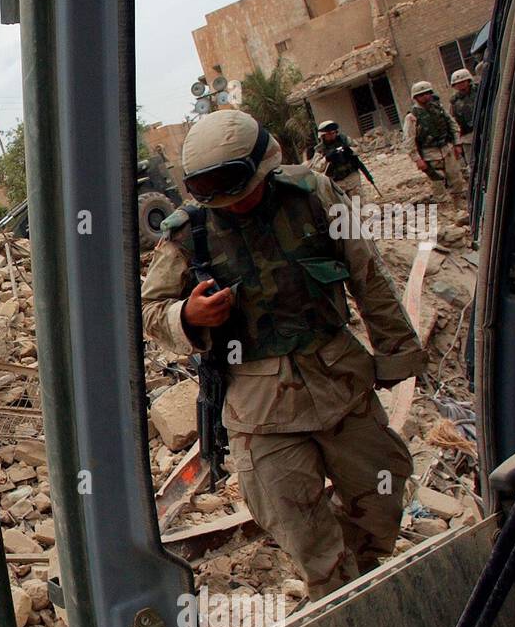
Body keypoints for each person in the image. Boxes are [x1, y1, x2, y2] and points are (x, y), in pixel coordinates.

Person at [142, 110, 424, 599]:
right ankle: (338, 603)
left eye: (239, 190)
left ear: (265, 166)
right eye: (215, 195)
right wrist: (187, 316)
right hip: (259, 410)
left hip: (339, 384)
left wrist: (396, 355)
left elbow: (368, 276)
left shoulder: (314, 195)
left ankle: (360, 579)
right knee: (300, 528)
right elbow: (149, 310)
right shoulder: (191, 232)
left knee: (381, 500)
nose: (231, 203)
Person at [402, 80, 468, 211]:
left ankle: (459, 206)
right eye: (421, 95)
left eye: (427, 93)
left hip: (446, 149)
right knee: (438, 184)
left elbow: (453, 126)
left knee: (456, 179)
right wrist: (418, 159)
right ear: (415, 97)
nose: (425, 97)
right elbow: (409, 140)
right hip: (429, 154)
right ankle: (445, 210)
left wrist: (457, 144)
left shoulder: (439, 109)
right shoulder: (412, 117)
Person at [309, 120, 367, 195]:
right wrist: (326, 158)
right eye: (329, 134)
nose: (332, 135)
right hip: (337, 183)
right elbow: (316, 168)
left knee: (357, 204)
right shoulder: (320, 149)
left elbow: (359, 149)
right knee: (343, 206)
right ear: (323, 136)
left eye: (333, 133)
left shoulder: (344, 140)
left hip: (352, 178)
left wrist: (350, 150)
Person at [449, 68, 478, 171]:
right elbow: (453, 121)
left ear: (468, 80)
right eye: (457, 83)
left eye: (462, 82)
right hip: (467, 137)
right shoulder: (454, 101)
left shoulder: (479, 92)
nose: (460, 85)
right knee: (473, 164)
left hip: (484, 130)